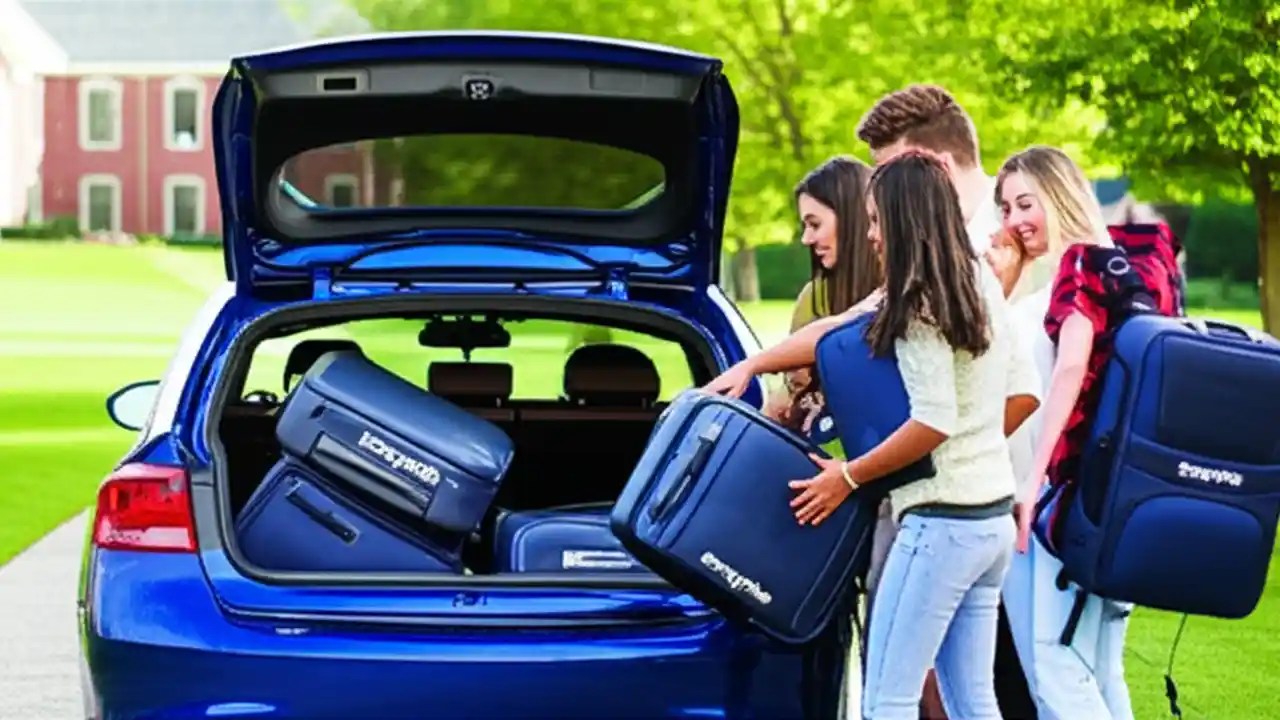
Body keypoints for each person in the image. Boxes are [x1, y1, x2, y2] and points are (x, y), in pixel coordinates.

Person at [777, 152, 1039, 719]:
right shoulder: (979, 285)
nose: (871, 235)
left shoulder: (918, 303)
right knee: (973, 699)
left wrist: (848, 476)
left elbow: (933, 421)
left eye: (875, 221)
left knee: (886, 700)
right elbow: (1024, 390)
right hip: (990, 521)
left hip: (942, 525)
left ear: (902, 219)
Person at [1001, 146, 1181, 720]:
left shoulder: (1080, 265)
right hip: (1128, 495)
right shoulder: (1141, 271)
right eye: (1005, 207)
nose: (1013, 220)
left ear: (1061, 194)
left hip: (1073, 494)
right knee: (1099, 666)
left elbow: (1072, 370)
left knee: (1053, 664)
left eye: (1026, 203)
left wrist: (1032, 480)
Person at [766, 156, 879, 442]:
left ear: (852, 218)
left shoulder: (904, 291)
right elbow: (789, 396)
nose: (806, 238)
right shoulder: (814, 297)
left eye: (815, 224)